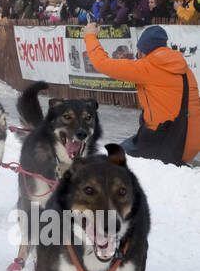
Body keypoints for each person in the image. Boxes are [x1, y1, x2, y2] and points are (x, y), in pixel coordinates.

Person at [84, 22, 200, 165]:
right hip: (191, 141)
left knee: (111, 158)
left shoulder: (147, 68)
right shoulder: (184, 69)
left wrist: (90, 35)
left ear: (143, 50)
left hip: (168, 143)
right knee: (135, 136)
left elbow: (101, 63)